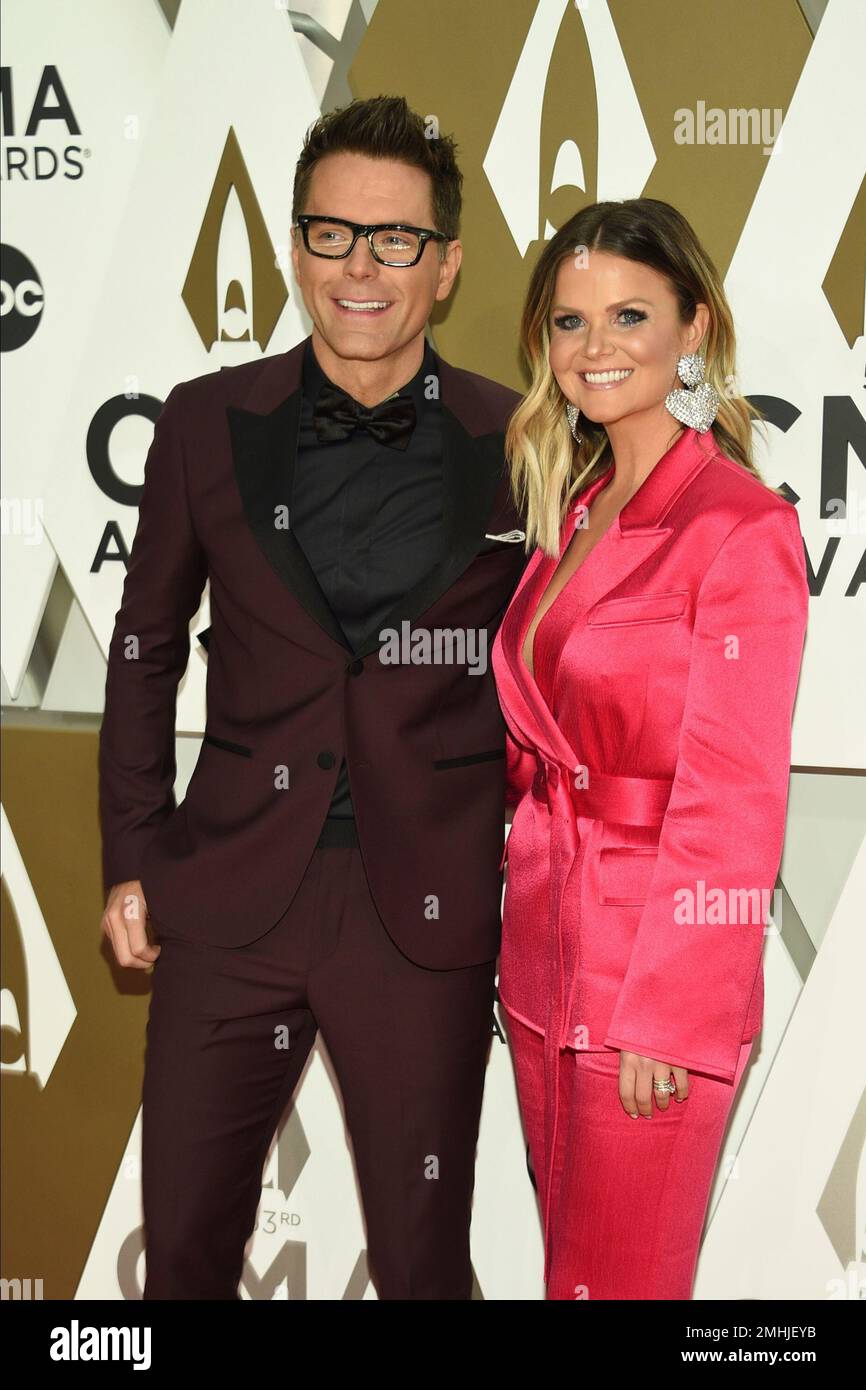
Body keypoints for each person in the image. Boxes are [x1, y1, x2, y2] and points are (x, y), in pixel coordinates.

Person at [98, 95, 527, 1300]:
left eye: (393, 240)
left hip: (420, 911)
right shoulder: (202, 422)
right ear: (293, 248)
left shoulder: (522, 440)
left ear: (443, 266)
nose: (359, 266)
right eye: (331, 233)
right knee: (180, 1250)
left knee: (420, 1264)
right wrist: (133, 851)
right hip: (227, 898)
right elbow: (143, 653)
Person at [491, 198, 809, 1300]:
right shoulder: (575, 505)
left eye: (629, 314)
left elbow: (731, 797)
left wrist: (667, 1013)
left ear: (693, 327)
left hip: (647, 994)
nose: (595, 348)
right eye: (569, 323)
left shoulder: (738, 527)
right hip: (541, 963)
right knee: (569, 1281)